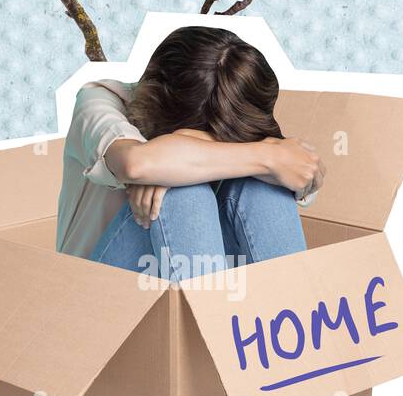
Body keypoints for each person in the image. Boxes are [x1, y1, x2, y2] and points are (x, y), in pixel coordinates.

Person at [55, 26, 325, 281]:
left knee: (261, 189)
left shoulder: (228, 115)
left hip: (202, 284)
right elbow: (136, 163)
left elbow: (305, 173)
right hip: (97, 300)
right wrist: (268, 157)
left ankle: (290, 321)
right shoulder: (100, 101)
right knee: (183, 191)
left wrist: (186, 145)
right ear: (150, 87)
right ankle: (209, 323)